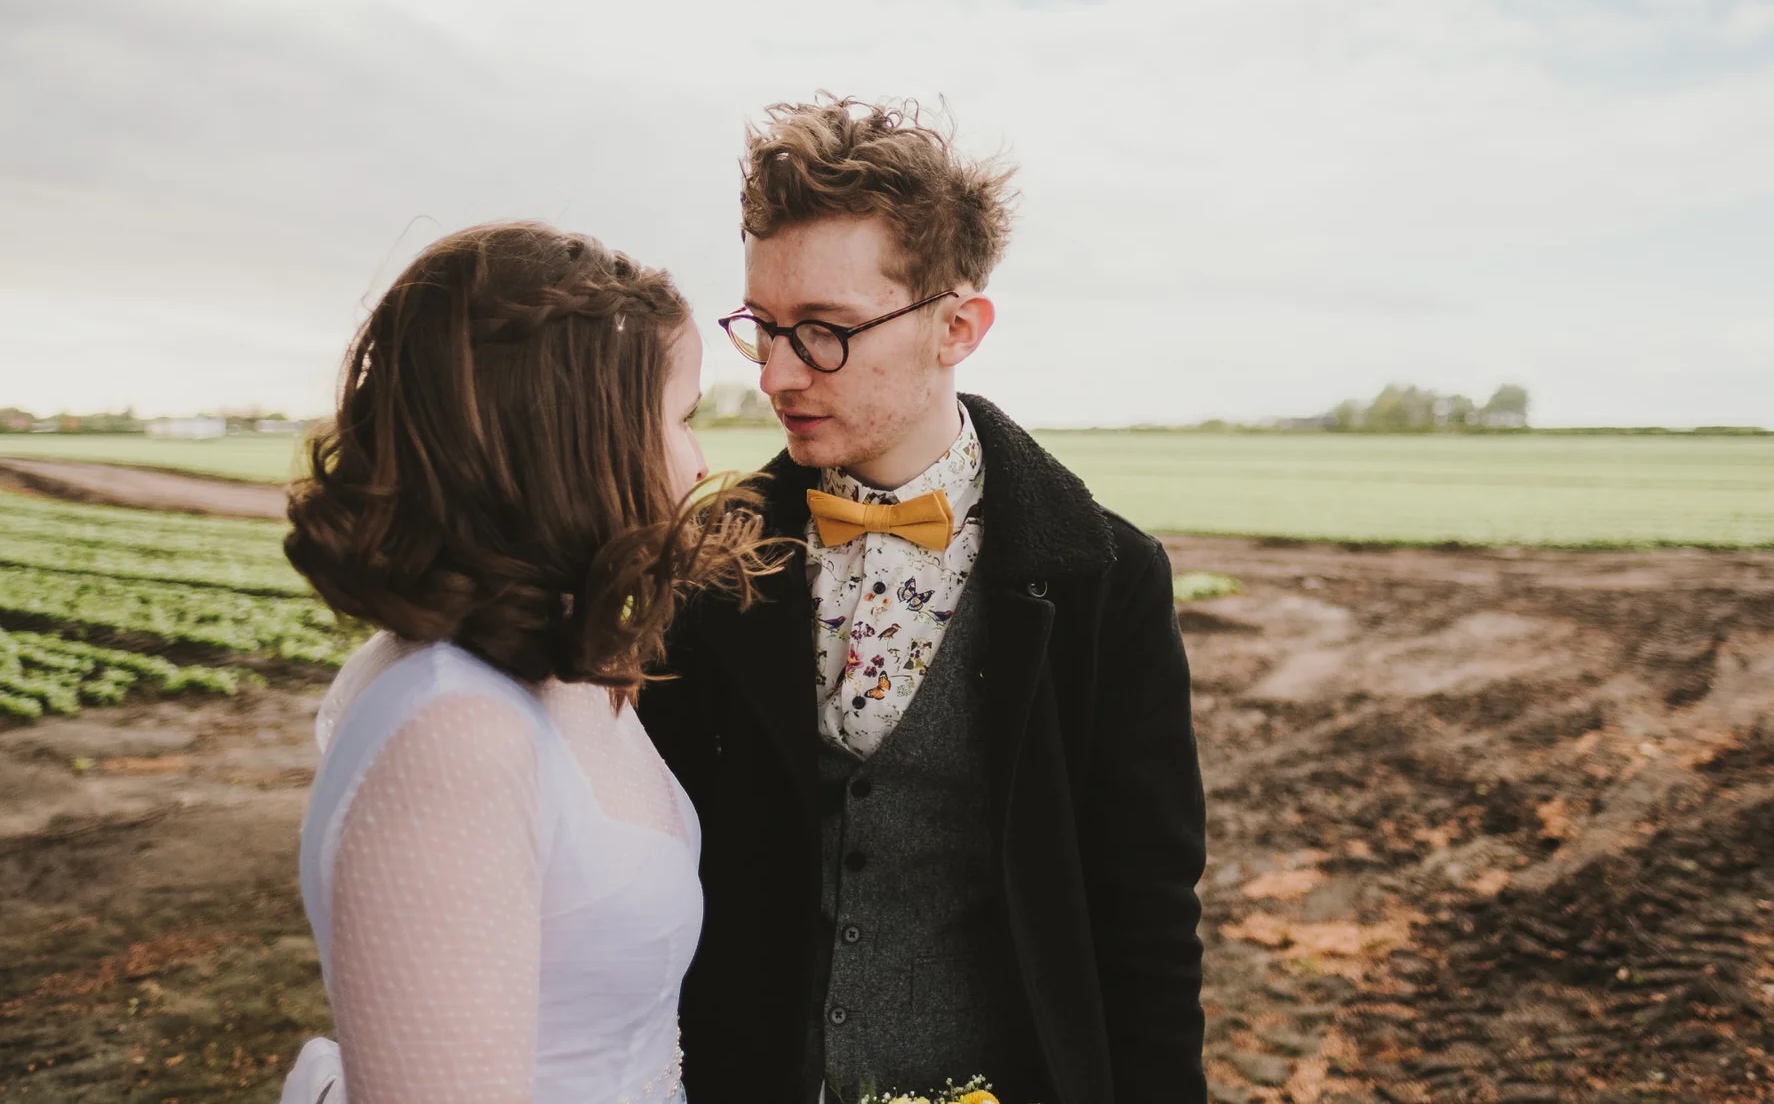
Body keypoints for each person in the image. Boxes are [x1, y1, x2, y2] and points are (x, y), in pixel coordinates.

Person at [638, 99, 1207, 1104]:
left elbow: (1146, 915)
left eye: (824, 331)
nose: (776, 375)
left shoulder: (1110, 580)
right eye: (763, 329)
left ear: (956, 327)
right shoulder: (709, 557)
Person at [279, 222, 768, 1104]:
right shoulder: (456, 737)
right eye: (682, 418)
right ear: (578, 441)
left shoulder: (558, 670)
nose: (700, 462)